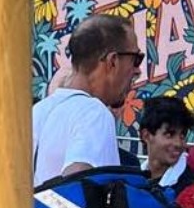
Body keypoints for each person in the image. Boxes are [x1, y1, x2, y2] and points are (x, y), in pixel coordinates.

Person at [32, 16, 142, 185]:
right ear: (113, 61)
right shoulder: (93, 112)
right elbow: (77, 182)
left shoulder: (37, 111)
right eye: (136, 59)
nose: (138, 70)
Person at [138, 95, 194, 190]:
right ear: (146, 135)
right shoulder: (133, 179)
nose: (178, 143)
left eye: (182, 136)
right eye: (169, 135)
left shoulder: (191, 189)